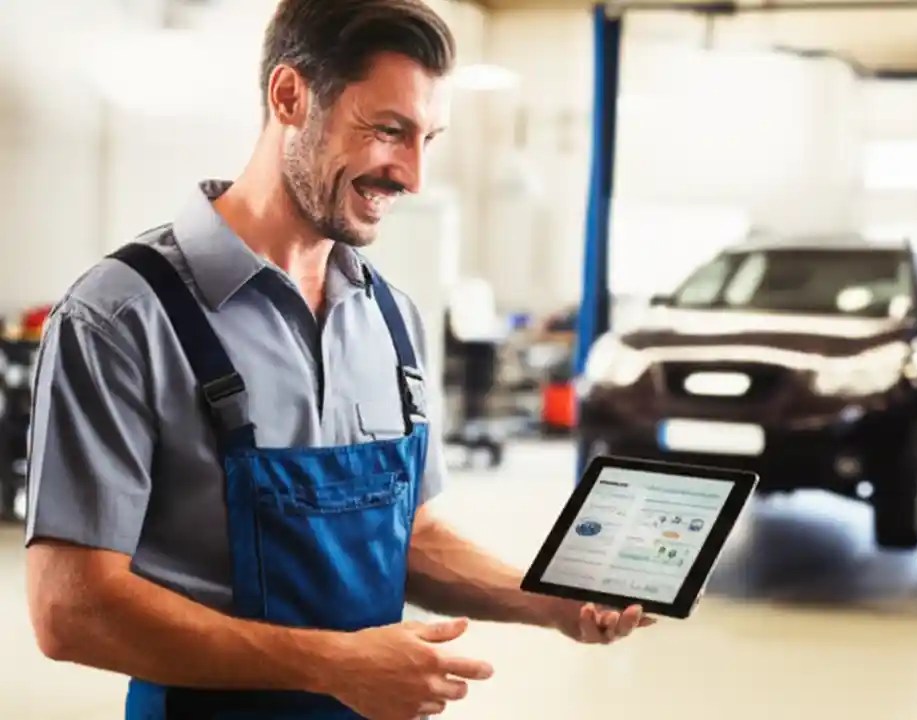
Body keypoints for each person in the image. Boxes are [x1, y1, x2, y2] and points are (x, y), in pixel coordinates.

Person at [22, 1, 652, 718]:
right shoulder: (121, 316)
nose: (411, 175)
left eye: (426, 139)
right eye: (388, 131)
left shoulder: (390, 318)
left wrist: (553, 600)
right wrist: (333, 666)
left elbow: (410, 537)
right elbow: (71, 609)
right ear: (290, 96)